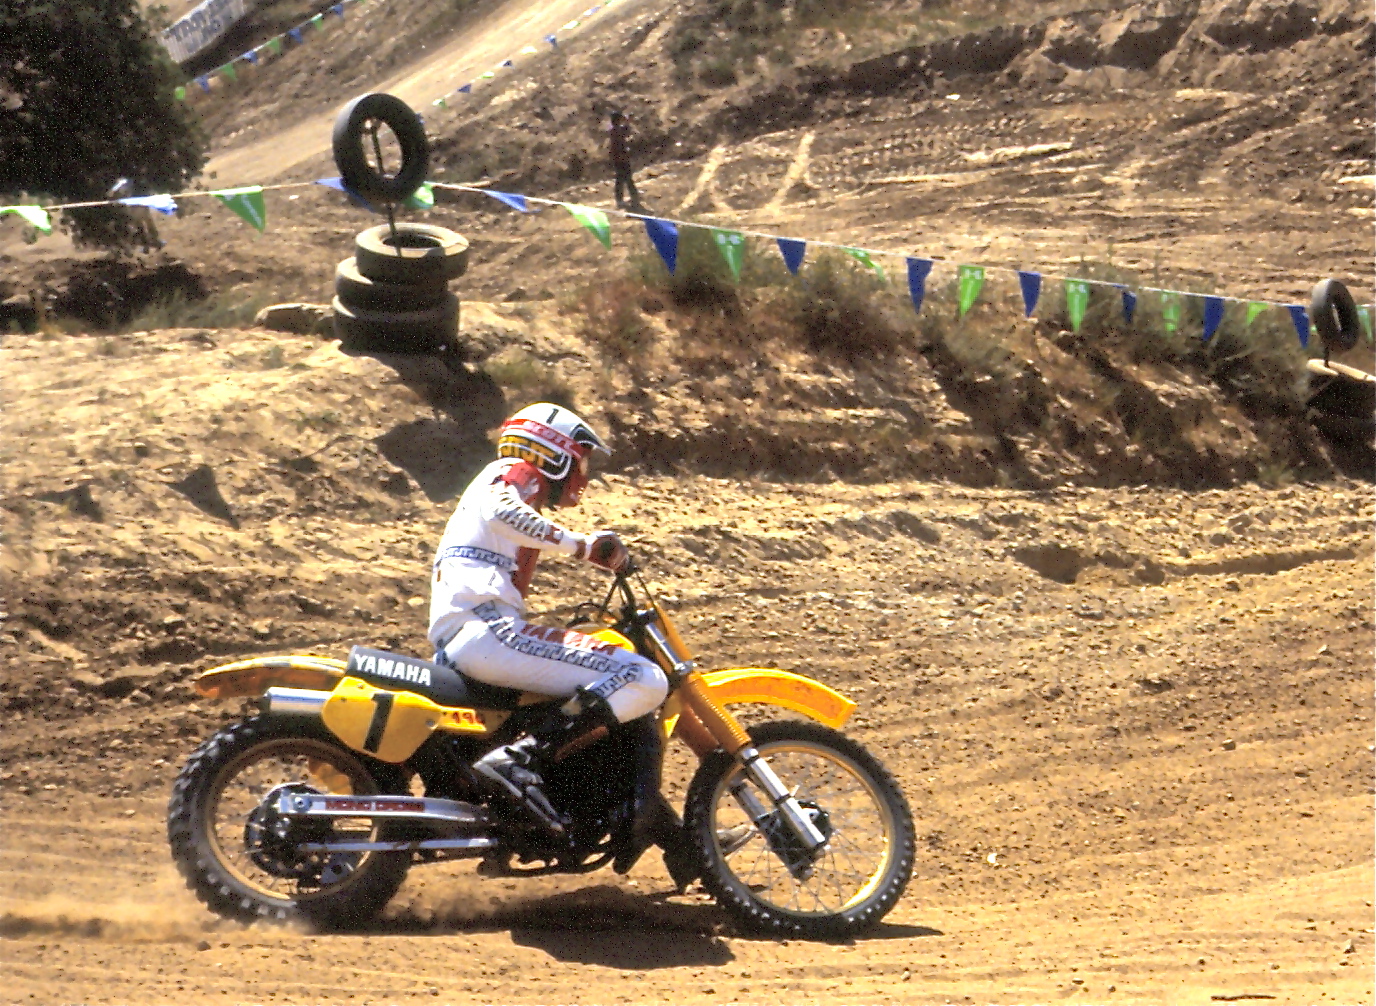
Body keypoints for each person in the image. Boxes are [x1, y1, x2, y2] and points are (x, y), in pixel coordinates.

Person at [427, 402, 693, 884]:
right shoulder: (512, 473)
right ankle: (517, 761)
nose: (583, 476)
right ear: (552, 455)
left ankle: (677, 838)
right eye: (580, 461)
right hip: (487, 631)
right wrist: (585, 547)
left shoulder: (514, 497)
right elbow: (503, 510)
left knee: (596, 704)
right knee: (642, 676)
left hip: (477, 634)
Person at [608, 110, 641, 211]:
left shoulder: (614, 130)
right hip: (621, 158)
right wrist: (627, 122)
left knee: (621, 179)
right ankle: (632, 197)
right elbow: (625, 132)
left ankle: (623, 198)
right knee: (625, 179)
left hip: (619, 158)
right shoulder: (616, 131)